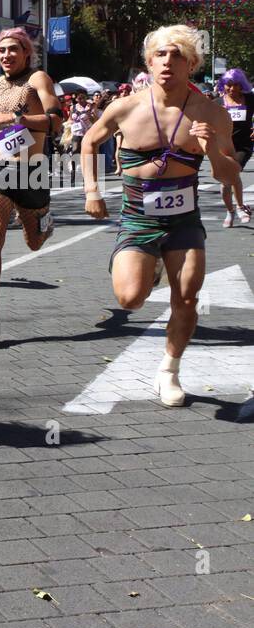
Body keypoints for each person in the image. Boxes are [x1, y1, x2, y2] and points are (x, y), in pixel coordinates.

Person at [81, 24, 243, 407]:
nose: (168, 62)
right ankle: (147, 267)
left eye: (177, 55)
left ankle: (169, 371)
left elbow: (229, 174)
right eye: (160, 54)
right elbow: (89, 141)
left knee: (187, 298)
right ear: (149, 62)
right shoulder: (126, 107)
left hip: (184, 220)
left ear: (192, 64)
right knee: (129, 299)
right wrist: (91, 190)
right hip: (138, 217)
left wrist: (210, 148)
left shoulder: (212, 113)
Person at [0, 27, 61, 336]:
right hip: (1, 170)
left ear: (26, 52)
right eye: (2, 50)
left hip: (31, 170)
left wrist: (19, 120)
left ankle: (45, 221)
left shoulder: (37, 80)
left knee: (33, 244)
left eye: (13, 49)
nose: (7, 55)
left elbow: (56, 121)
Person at [216, 68, 253, 227]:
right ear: (223, 85)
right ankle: (231, 210)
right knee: (225, 182)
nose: (232, 89)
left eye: (236, 85)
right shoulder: (217, 104)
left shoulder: (250, 99)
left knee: (233, 171)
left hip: (243, 145)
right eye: (229, 85)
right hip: (223, 145)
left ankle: (239, 207)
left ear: (241, 85)